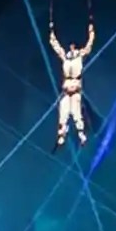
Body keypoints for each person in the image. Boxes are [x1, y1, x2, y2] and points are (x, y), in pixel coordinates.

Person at [48, 13, 95, 149]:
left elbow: (90, 44)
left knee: (76, 113)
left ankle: (81, 134)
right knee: (63, 113)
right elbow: (55, 46)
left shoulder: (80, 55)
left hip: (75, 91)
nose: (72, 48)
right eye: (71, 46)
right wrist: (51, 32)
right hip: (66, 91)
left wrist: (91, 29)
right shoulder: (66, 57)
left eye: (74, 46)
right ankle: (61, 135)